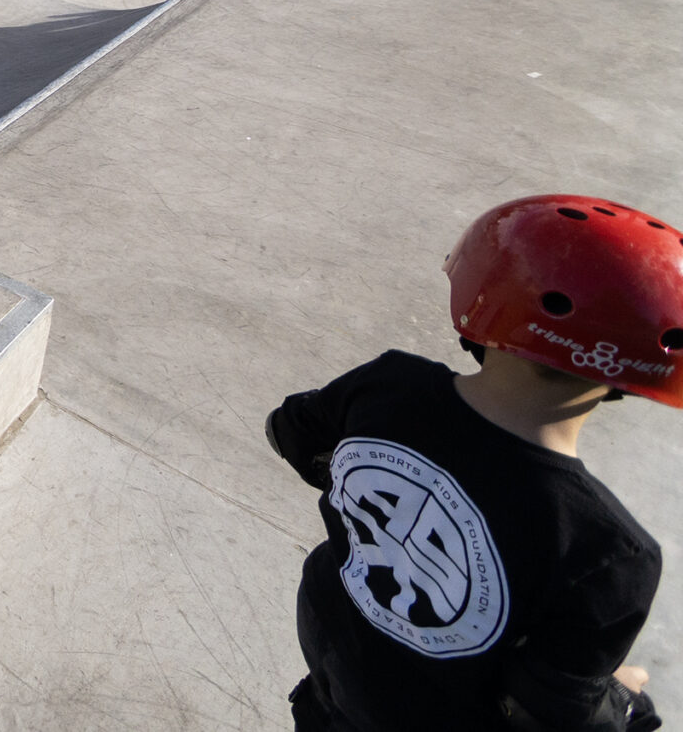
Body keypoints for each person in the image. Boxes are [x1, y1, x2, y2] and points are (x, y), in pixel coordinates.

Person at [269, 193, 674, 732]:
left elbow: (289, 432)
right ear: (637, 377)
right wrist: (621, 703)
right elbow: (546, 713)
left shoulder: (388, 385)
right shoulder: (610, 549)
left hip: (333, 652)